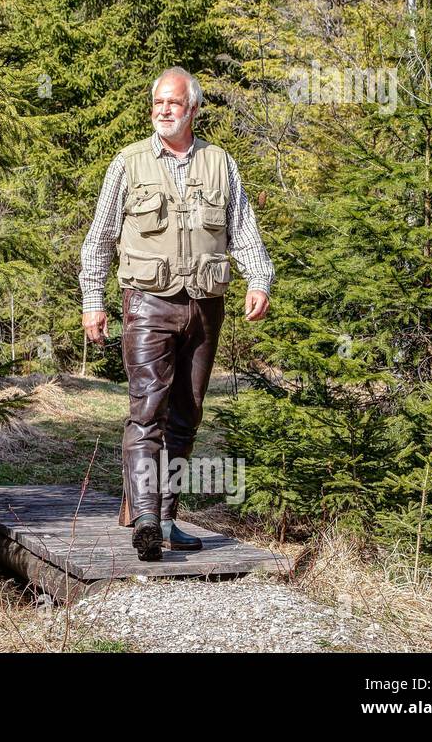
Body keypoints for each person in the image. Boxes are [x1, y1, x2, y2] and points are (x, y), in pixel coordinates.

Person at [78, 67, 274, 560]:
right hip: (147, 302)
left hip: (206, 308)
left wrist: (259, 280)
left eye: (174, 103)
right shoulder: (128, 163)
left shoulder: (220, 163)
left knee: (186, 417)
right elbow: (99, 237)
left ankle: (166, 518)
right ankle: (144, 519)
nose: (164, 109)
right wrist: (93, 301)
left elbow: (243, 230)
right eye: (158, 102)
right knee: (147, 411)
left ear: (193, 110)